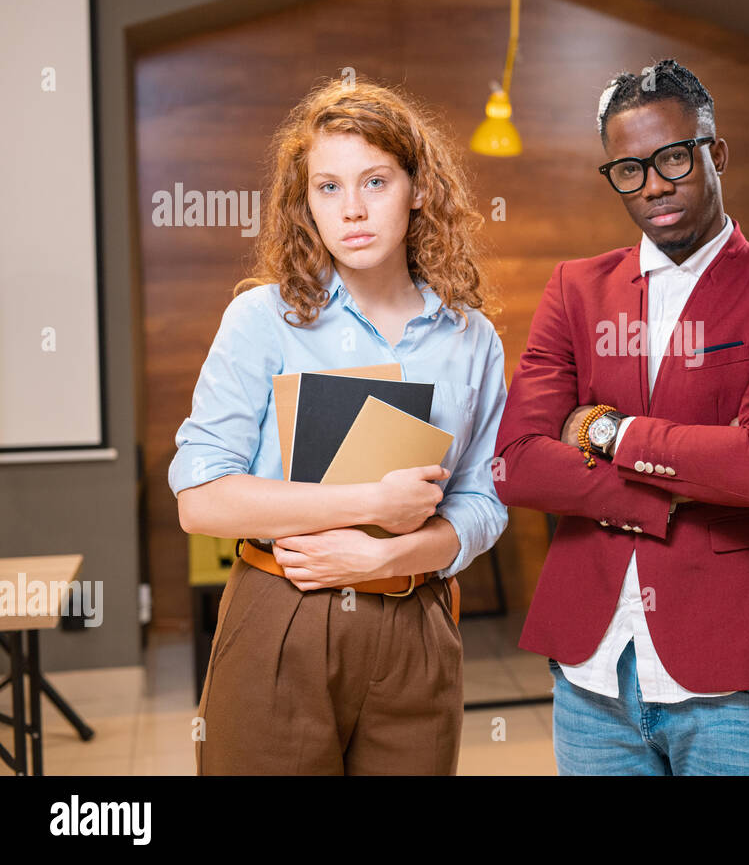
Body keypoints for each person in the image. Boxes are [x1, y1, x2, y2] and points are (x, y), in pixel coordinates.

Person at [493, 58, 749, 775]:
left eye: (673, 158)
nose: (653, 185)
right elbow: (517, 461)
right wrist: (673, 490)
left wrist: (605, 431)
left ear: (716, 152)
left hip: (729, 673)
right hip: (591, 674)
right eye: (628, 169)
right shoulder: (576, 290)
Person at [168, 77, 507, 775]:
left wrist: (389, 556)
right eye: (328, 188)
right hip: (281, 611)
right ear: (306, 204)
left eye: (375, 181)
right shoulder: (263, 319)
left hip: (417, 618)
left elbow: (485, 501)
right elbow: (201, 499)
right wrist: (371, 506)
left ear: (418, 189)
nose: (351, 209)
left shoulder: (471, 339)